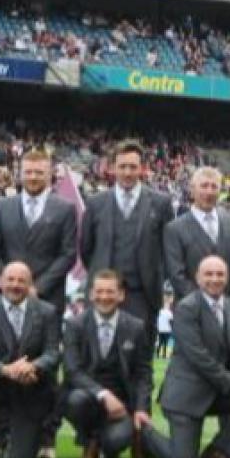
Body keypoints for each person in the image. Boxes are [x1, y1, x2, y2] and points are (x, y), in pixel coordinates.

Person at [137, 256, 230, 458]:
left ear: (227, 277)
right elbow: (198, 356)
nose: (215, 279)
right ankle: (144, 436)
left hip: (217, 392)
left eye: (220, 274)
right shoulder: (186, 308)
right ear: (197, 278)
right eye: (209, 274)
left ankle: (217, 452)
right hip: (187, 395)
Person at [80, 140, 175, 344]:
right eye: (122, 166)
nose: (127, 172)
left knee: (139, 362)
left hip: (143, 295)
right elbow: (86, 249)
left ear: (142, 168)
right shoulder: (95, 203)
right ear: (112, 168)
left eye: (133, 166)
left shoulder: (161, 203)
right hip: (103, 293)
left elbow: (169, 251)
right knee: (98, 358)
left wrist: (154, 277)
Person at [62, 269, 152, 458]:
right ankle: (89, 441)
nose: (104, 297)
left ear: (121, 295)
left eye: (110, 292)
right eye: (99, 291)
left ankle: (113, 442)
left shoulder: (136, 327)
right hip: (88, 398)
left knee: (115, 443)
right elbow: (72, 371)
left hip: (122, 405)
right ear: (91, 294)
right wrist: (103, 394)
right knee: (76, 400)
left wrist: (141, 408)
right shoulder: (74, 326)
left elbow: (143, 373)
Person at [0, 262, 61, 458]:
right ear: (0, 282)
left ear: (30, 284)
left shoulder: (47, 312)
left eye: (21, 280)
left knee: (20, 457)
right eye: (10, 279)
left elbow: (52, 353)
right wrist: (6, 370)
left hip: (32, 385)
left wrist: (33, 366)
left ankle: (40, 438)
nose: (15, 285)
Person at [0, 148, 77, 315]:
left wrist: (38, 288)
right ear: (20, 173)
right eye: (28, 172)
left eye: (39, 172)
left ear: (50, 174)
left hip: (48, 299)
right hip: (7, 298)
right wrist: (10, 282)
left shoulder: (65, 209)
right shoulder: (2, 207)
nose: (33, 177)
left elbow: (68, 254)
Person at [164, 166, 230, 304]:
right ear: (192, 190)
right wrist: (207, 306)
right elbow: (177, 276)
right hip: (191, 312)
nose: (209, 191)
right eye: (204, 186)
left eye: (214, 186)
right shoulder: (174, 229)